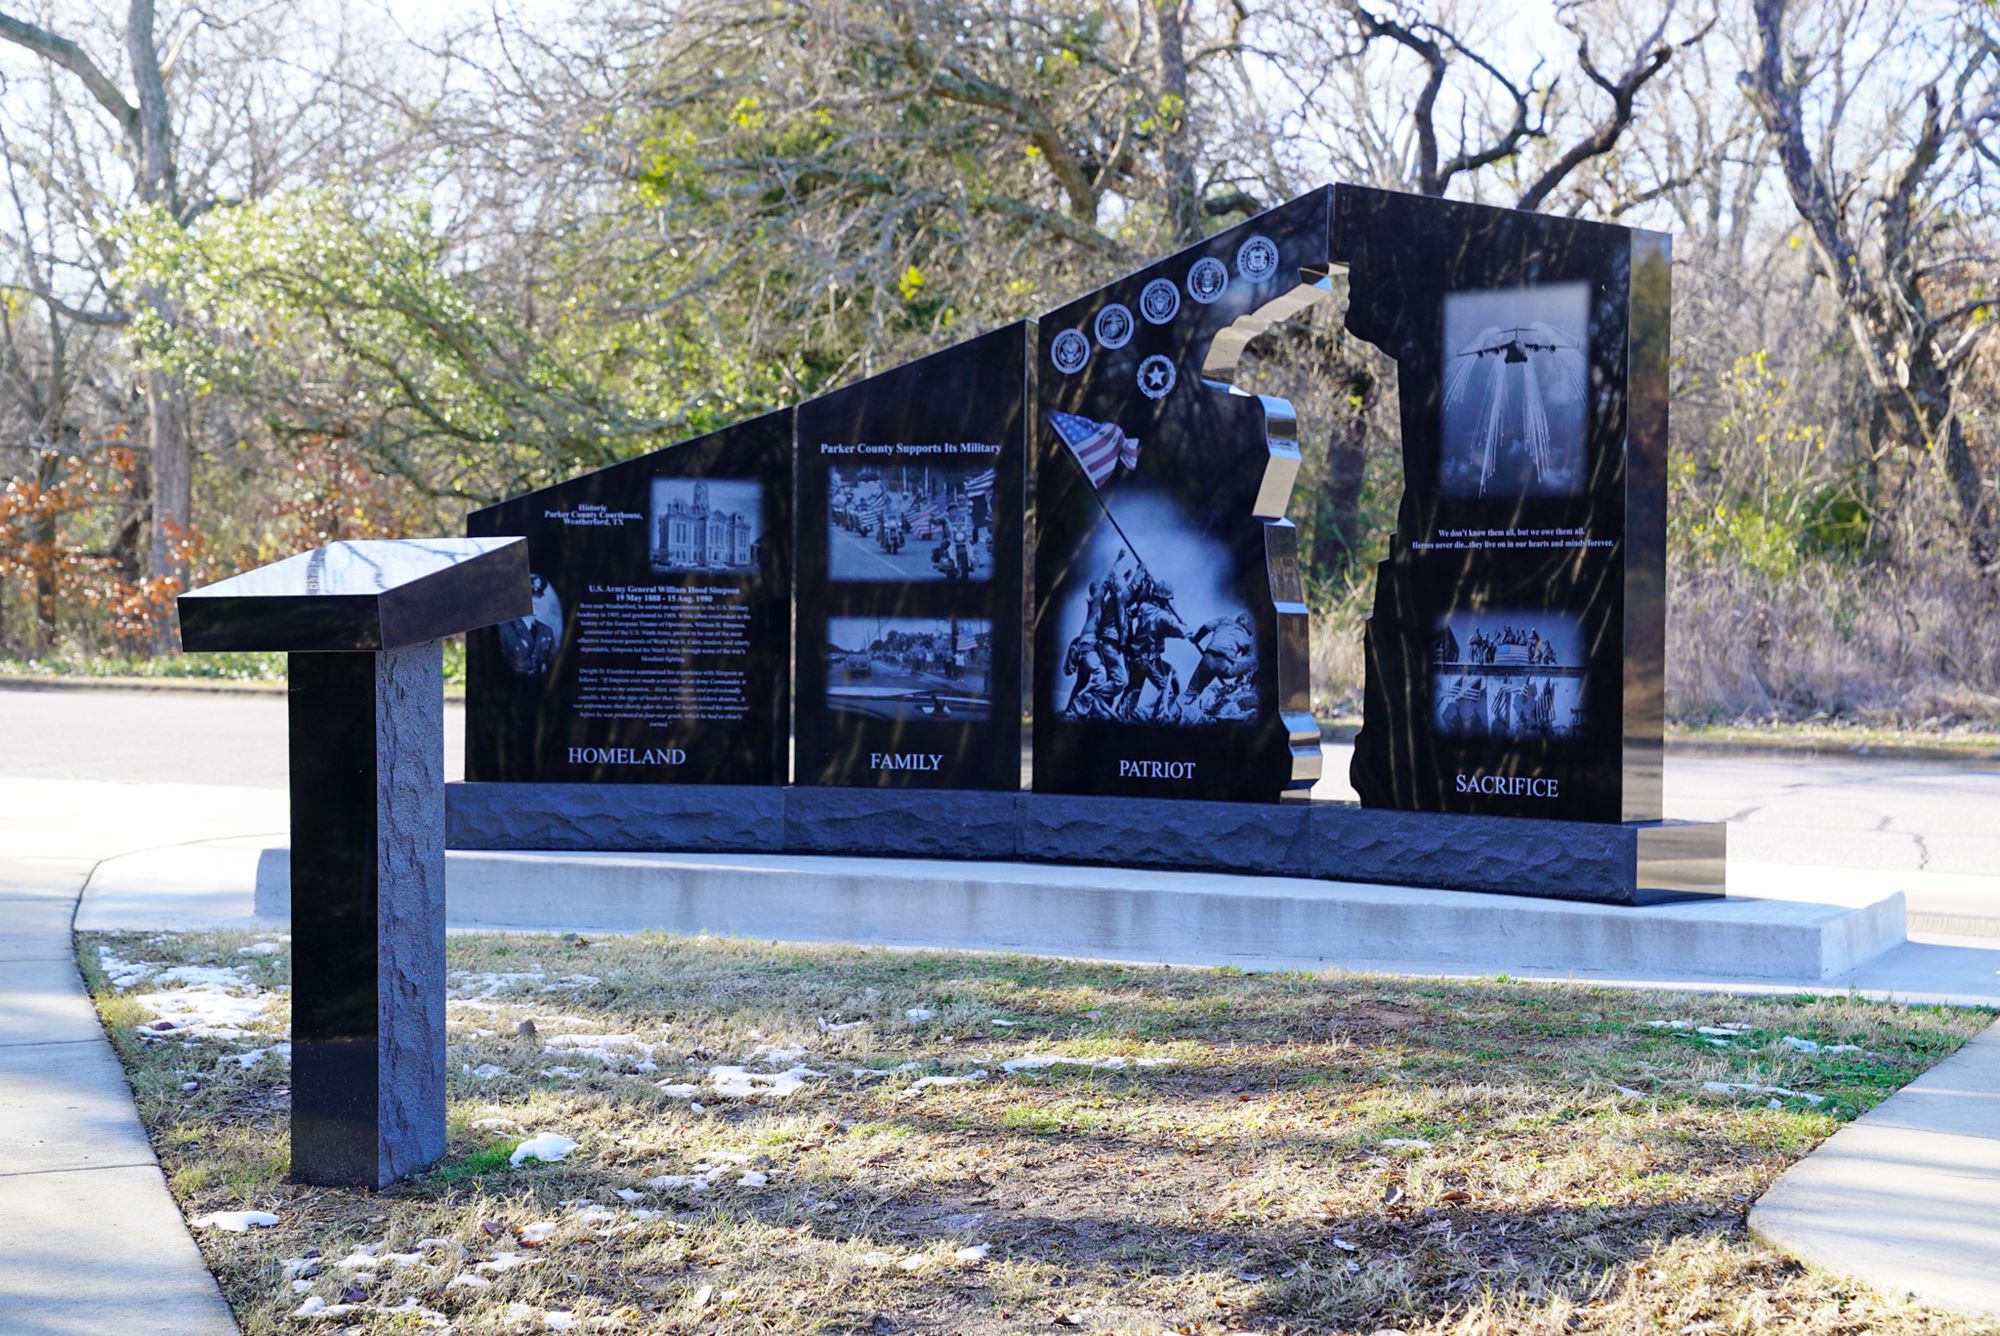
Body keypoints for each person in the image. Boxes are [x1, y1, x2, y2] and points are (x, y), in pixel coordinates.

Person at [1183, 611, 1256, 717]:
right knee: (1253, 660)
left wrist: (1196, 639)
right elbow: (1245, 660)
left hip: (1207, 659)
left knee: (1191, 691)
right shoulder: (1247, 640)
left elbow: (1206, 627)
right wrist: (1239, 678)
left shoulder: (1224, 620)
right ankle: (1241, 683)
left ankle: (1170, 714)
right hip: (1225, 666)